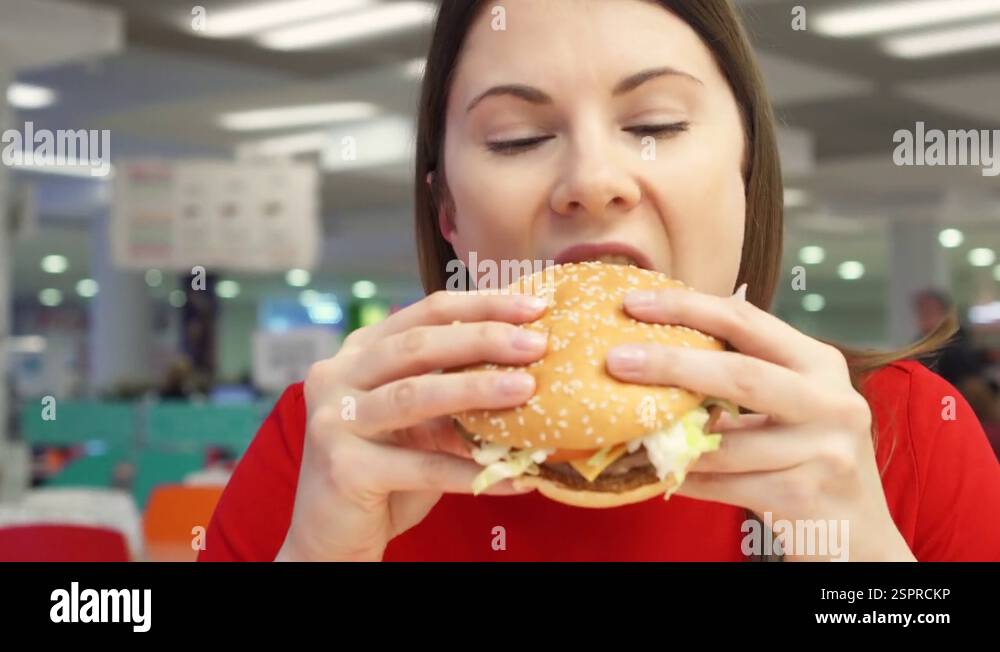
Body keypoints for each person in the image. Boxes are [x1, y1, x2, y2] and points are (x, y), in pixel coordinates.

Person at [199, 0, 1000, 562]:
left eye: (655, 125)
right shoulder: (334, 437)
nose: (593, 179)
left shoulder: (903, 431)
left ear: (745, 170)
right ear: (446, 208)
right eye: (516, 138)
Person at [912, 289, 985, 387]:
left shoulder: (959, 346)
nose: (924, 316)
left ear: (945, 313)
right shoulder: (917, 346)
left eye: (930, 311)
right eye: (921, 311)